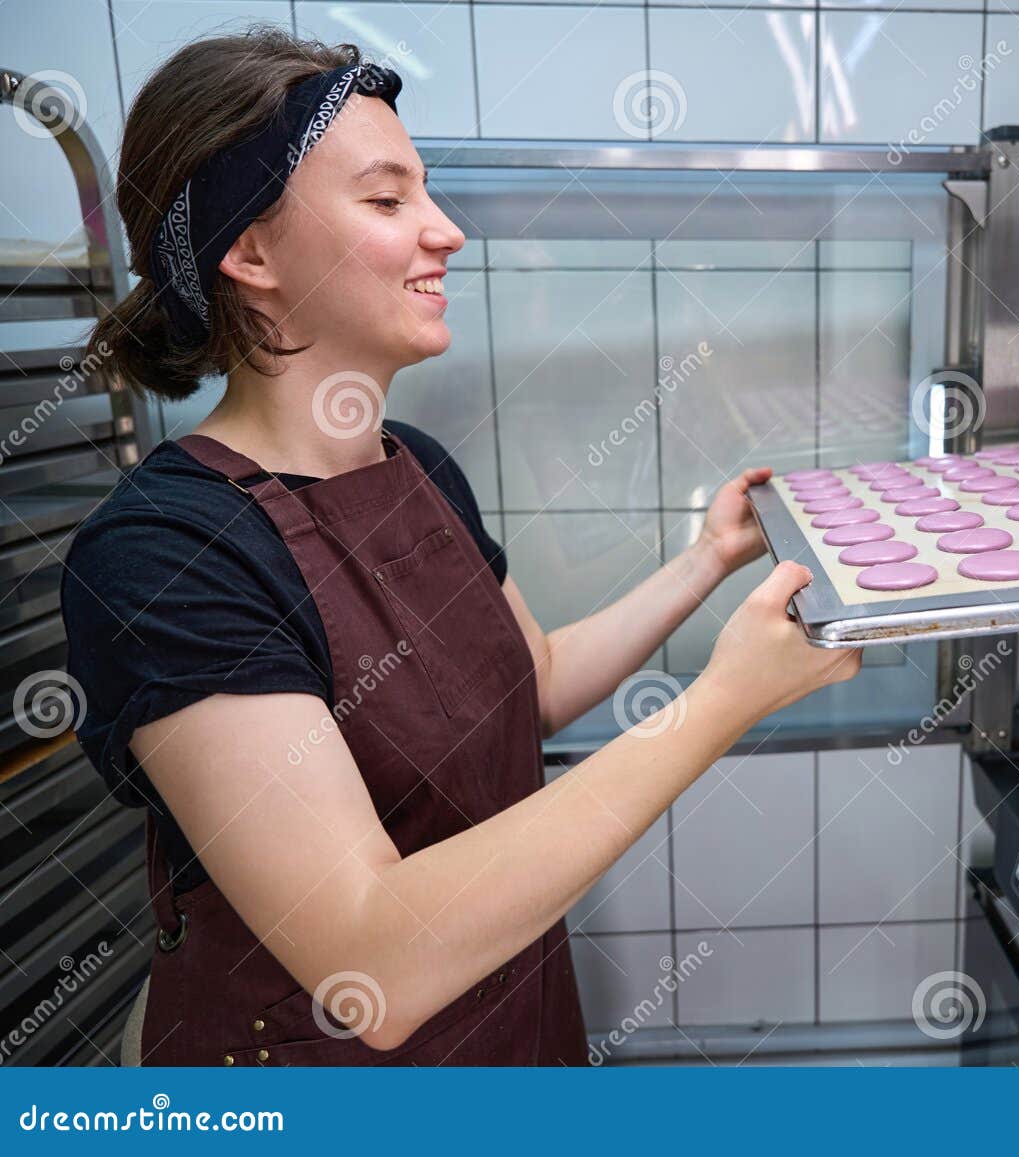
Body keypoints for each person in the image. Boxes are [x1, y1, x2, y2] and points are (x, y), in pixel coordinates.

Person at [62, 27, 859, 1067]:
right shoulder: (165, 553)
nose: (447, 232)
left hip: (510, 1035)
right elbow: (371, 960)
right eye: (389, 201)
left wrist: (707, 562)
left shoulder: (416, 465)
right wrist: (717, 705)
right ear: (249, 252)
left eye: (424, 193)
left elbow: (529, 685)